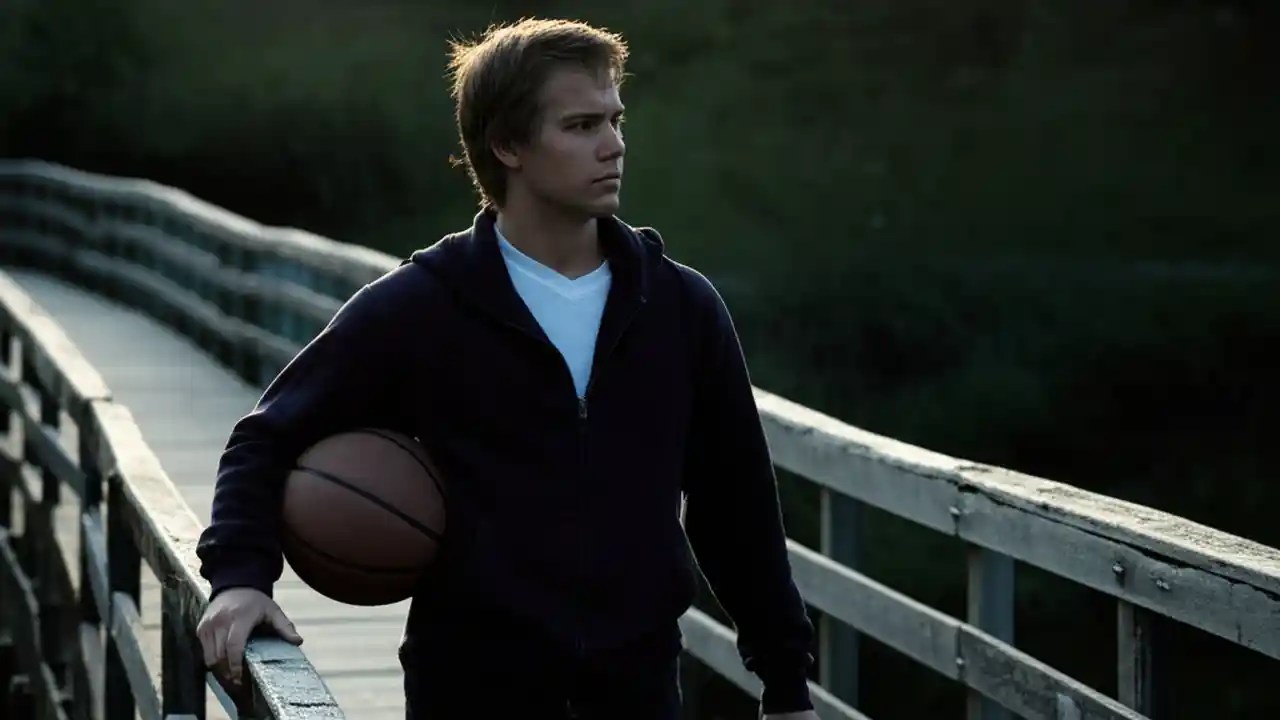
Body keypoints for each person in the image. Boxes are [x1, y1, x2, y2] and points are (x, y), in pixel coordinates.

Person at [194, 17, 818, 720]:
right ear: (508, 144)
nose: (613, 145)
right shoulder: (422, 306)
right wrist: (241, 578)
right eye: (581, 126)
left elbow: (736, 504)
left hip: (636, 689)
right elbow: (265, 437)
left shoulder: (679, 307)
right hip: (470, 688)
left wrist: (785, 678)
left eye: (615, 120)